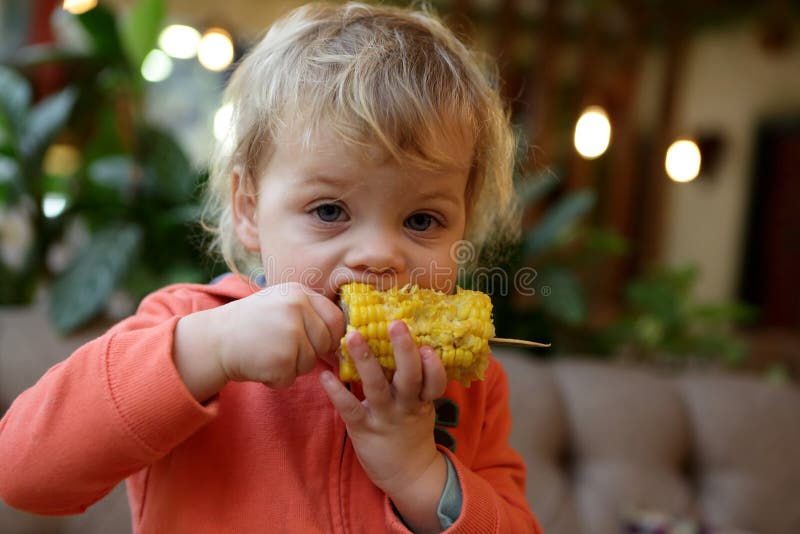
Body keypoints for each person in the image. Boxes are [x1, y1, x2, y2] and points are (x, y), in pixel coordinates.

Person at [0, 2, 542, 533]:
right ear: (249, 209)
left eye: (422, 220)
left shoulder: (470, 388)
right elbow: (22, 473)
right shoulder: (187, 325)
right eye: (329, 211)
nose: (380, 254)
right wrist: (204, 351)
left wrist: (424, 478)